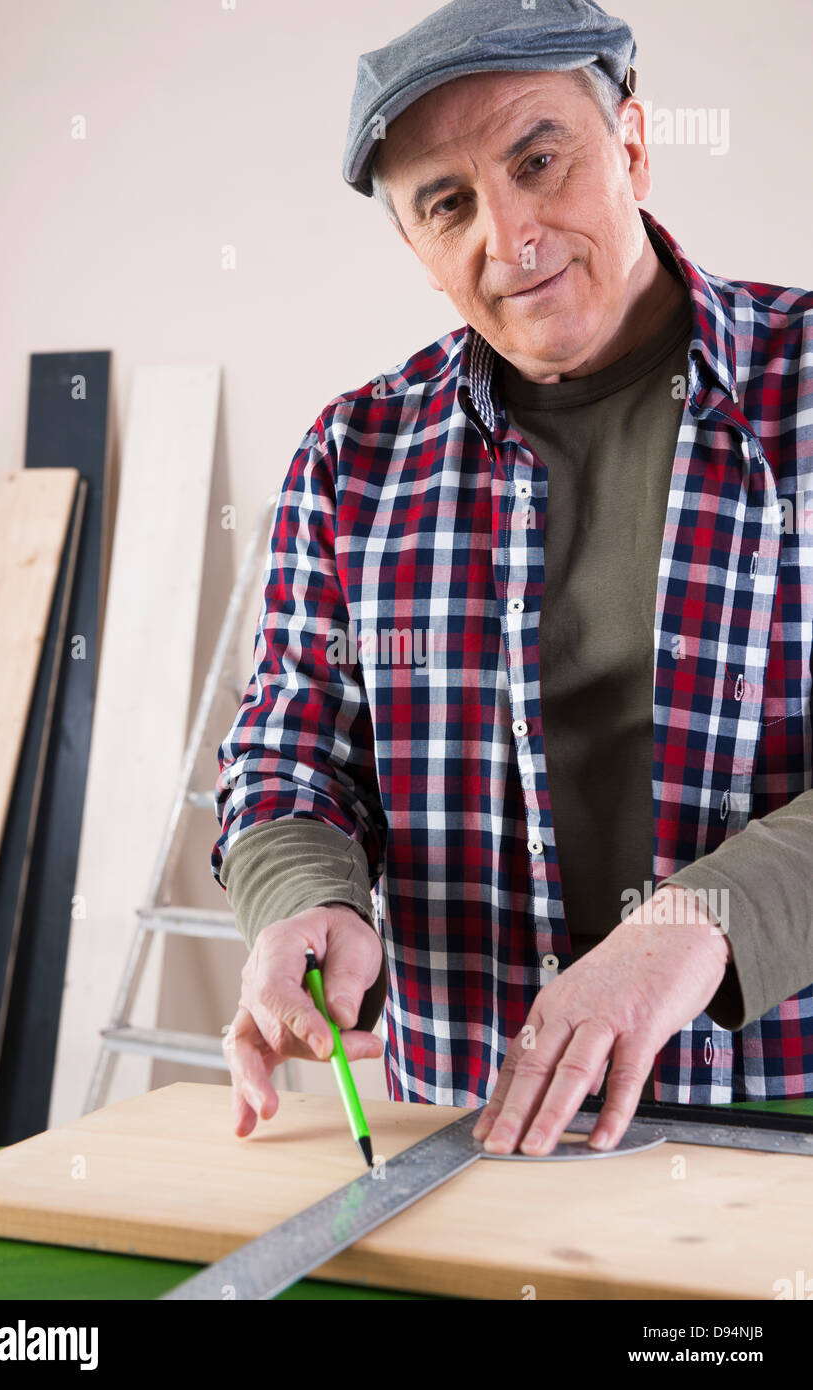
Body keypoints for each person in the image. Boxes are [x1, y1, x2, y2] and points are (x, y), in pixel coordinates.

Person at [213, 0, 813, 1157]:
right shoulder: (352, 457)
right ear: (418, 251)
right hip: (467, 1130)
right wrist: (303, 896)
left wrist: (708, 920)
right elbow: (286, 753)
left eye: (538, 161)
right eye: (448, 205)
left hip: (780, 1115)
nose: (510, 235)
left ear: (630, 144)